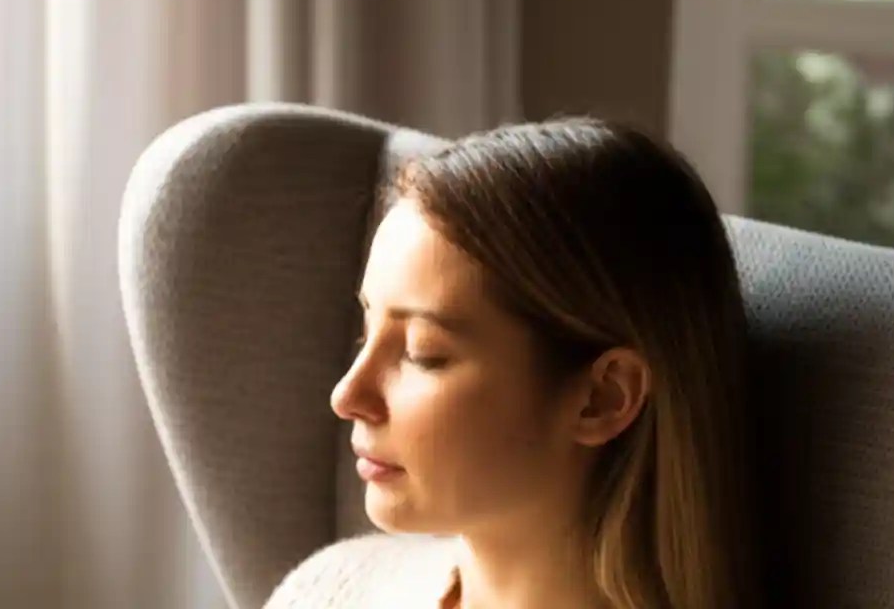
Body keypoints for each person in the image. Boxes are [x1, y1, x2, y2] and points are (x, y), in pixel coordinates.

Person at [266, 118, 758, 609]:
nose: (347, 396)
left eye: (422, 354)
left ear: (602, 398)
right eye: (366, 330)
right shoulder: (329, 589)